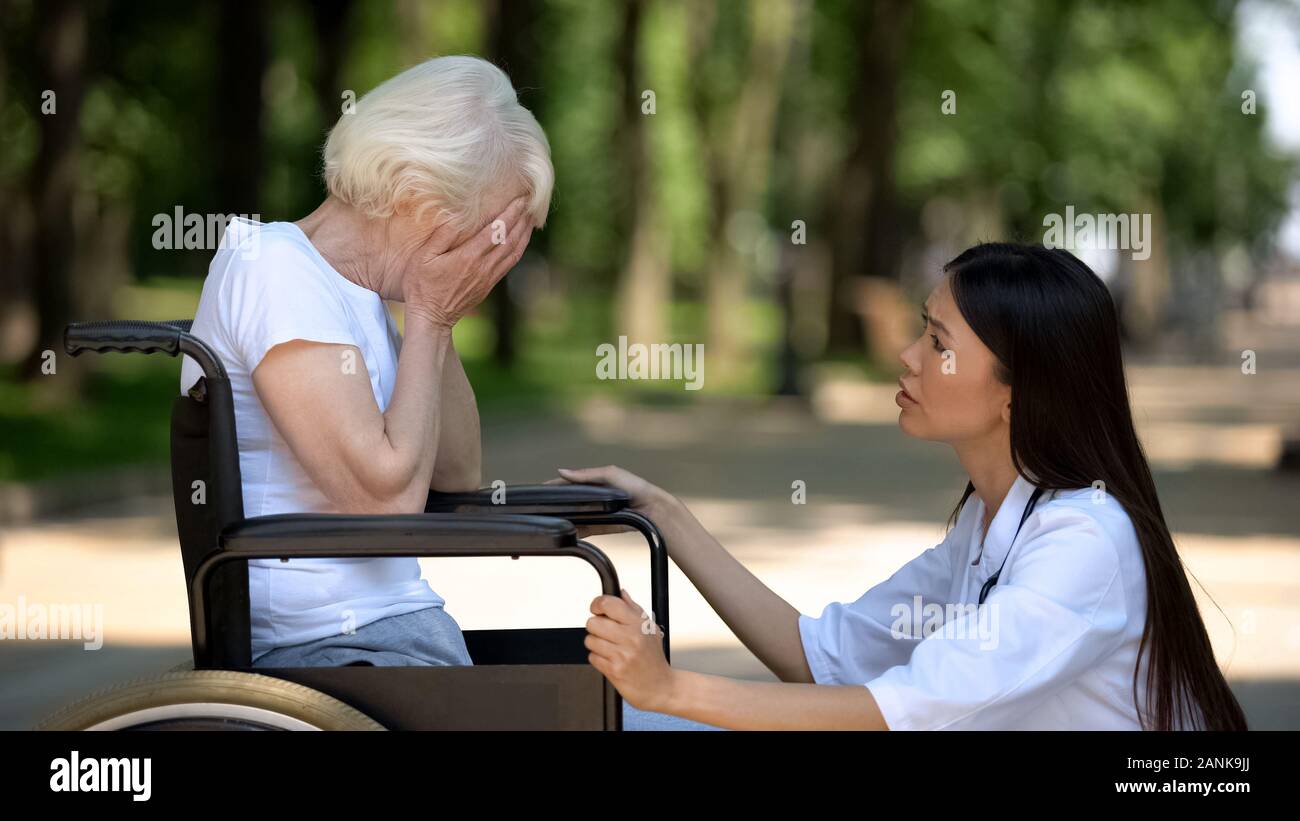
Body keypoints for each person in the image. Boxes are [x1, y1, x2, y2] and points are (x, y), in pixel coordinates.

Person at [559, 243, 1249, 730]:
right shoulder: (989, 527)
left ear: (1017, 388)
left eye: (939, 343)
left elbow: (902, 712)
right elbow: (819, 655)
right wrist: (663, 513)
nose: (908, 355)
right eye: (923, 328)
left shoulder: (1083, 543)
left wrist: (673, 687)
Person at [181, 55, 548, 672]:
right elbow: (383, 507)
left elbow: (456, 473)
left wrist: (440, 316)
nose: (491, 262)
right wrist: (430, 314)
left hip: (398, 639)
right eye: (489, 234)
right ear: (414, 195)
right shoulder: (273, 266)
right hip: (337, 651)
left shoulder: (362, 294)